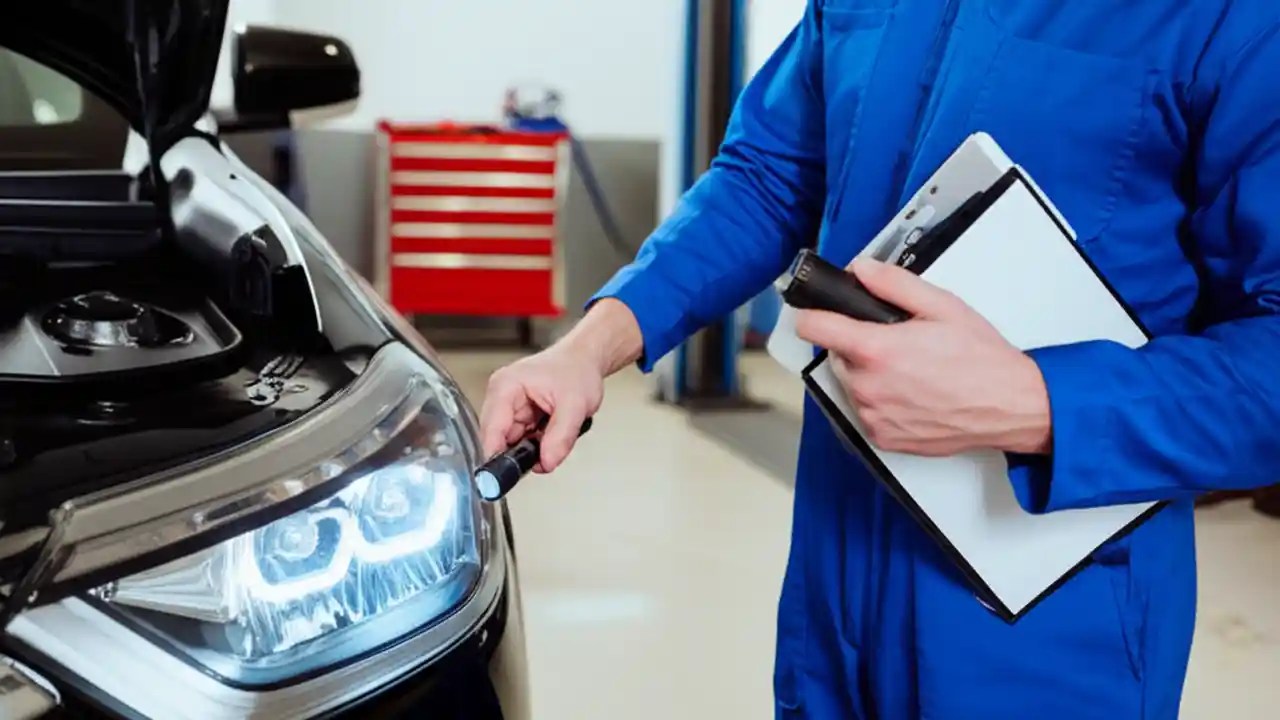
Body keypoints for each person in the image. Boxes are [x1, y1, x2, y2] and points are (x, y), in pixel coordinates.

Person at [480, 2, 1280, 718]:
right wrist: (592, 345)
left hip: (1053, 619)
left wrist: (1035, 402)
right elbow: (767, 176)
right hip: (836, 578)